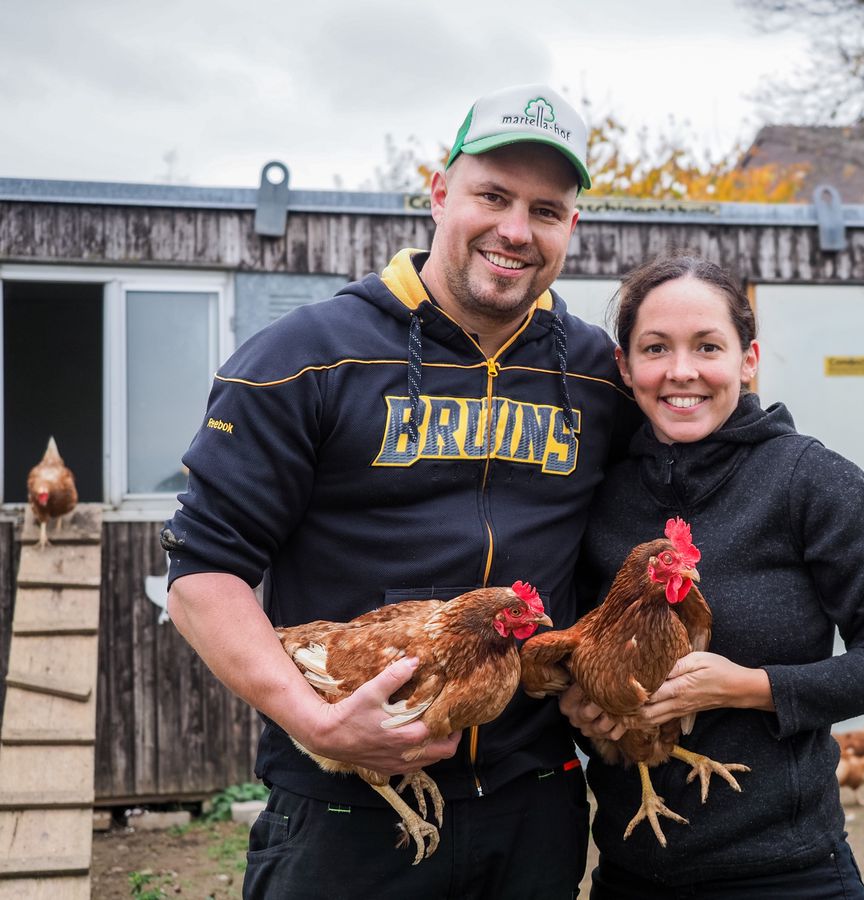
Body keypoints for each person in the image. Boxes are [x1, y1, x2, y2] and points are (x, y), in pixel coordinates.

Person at [162, 83, 636, 899]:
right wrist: (318, 724)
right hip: (347, 818)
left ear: (572, 228)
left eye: (545, 209)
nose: (515, 231)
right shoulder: (306, 358)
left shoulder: (600, 376)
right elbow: (203, 578)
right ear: (440, 193)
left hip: (537, 807)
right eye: (492, 195)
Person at [563, 253, 864, 898]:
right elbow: (575, 651)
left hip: (786, 871)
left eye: (708, 346)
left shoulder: (813, 482)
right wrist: (581, 707)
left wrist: (748, 687)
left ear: (748, 360)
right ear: (625, 367)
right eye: (655, 348)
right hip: (633, 870)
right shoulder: (598, 494)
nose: (682, 371)